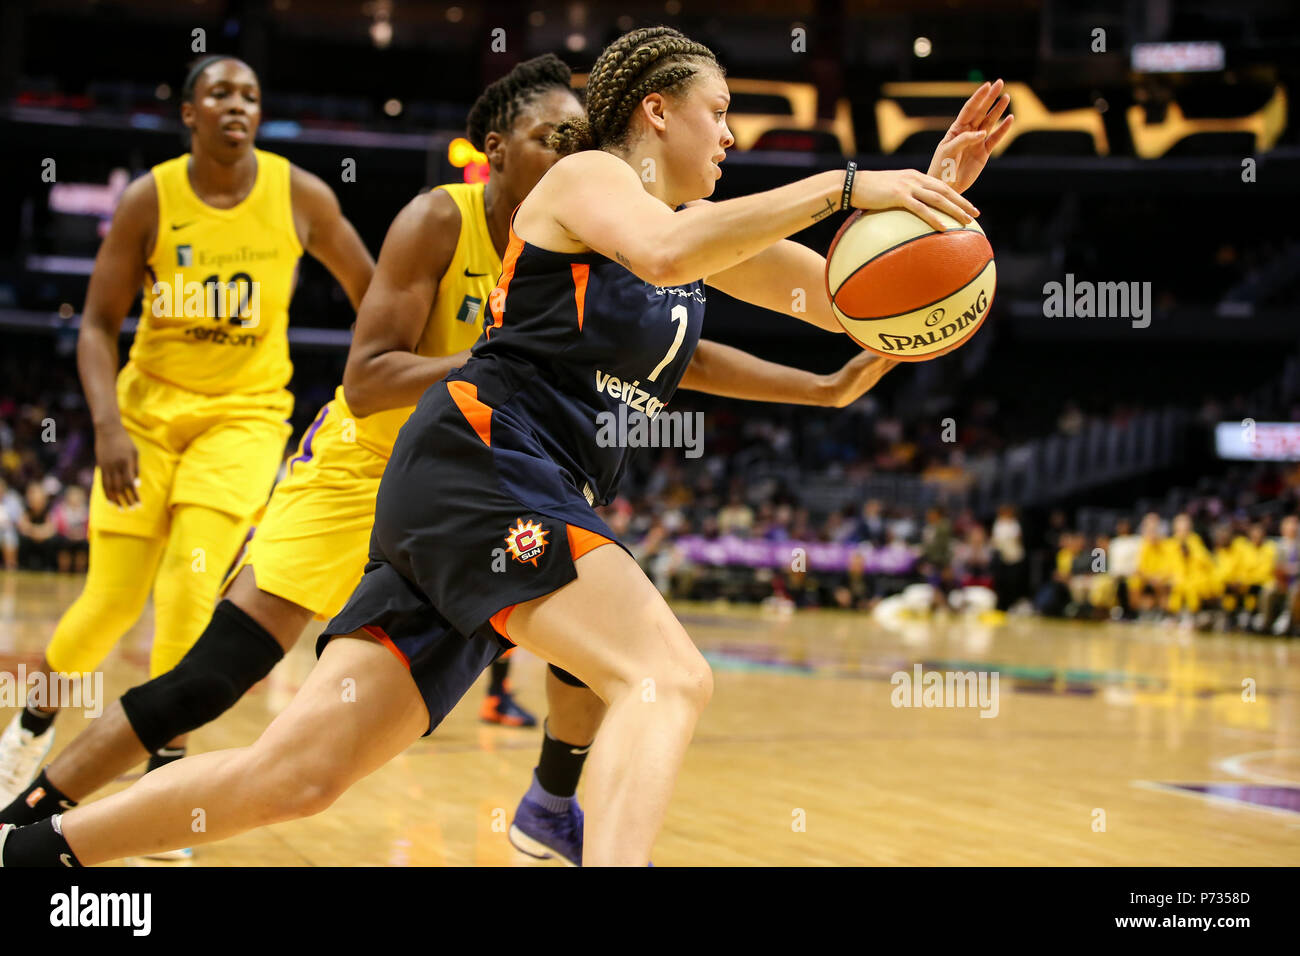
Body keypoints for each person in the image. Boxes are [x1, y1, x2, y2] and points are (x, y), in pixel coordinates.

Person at [0, 25, 1008, 867]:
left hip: (485, 493)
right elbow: (665, 250)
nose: (733, 132)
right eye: (720, 108)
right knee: (664, 676)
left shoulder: (699, 237)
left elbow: (840, 298)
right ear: (656, 110)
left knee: (294, 775)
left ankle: (32, 855)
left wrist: (927, 202)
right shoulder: (586, 181)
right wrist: (845, 184)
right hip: (484, 460)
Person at [0, 55, 374, 806]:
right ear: (191, 114)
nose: (238, 105)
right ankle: (33, 722)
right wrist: (106, 425)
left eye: (251, 95)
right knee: (107, 601)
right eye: (220, 93)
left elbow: (378, 294)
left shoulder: (300, 196)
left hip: (244, 418)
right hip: (143, 418)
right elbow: (97, 327)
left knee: (190, 587)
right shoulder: (150, 198)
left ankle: (161, 783)